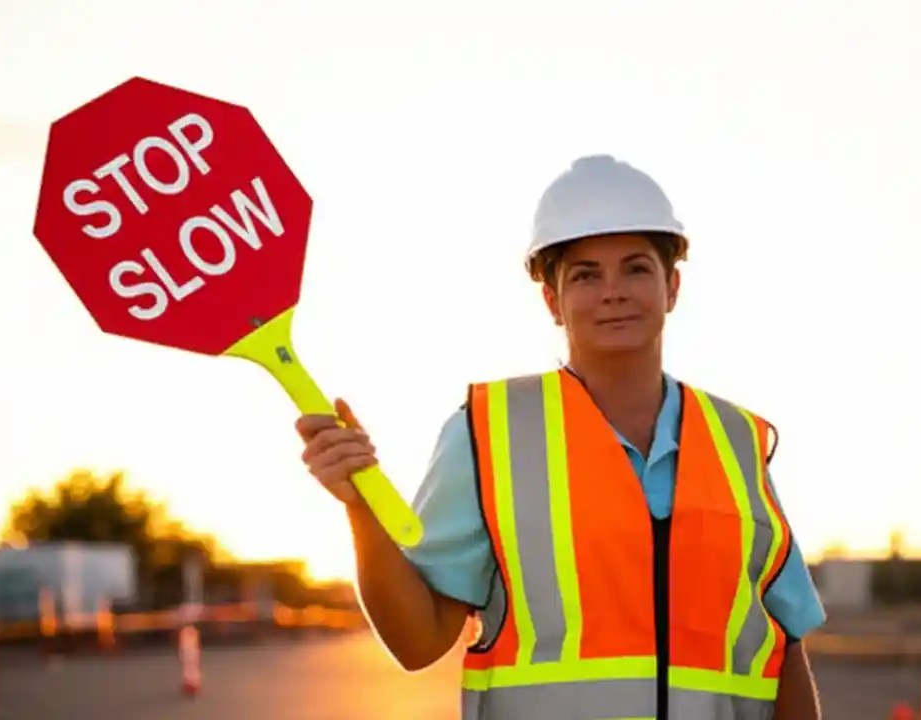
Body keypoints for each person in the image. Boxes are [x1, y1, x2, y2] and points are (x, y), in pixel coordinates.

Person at [296, 155, 826, 720]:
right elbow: (417, 642)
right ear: (552, 300)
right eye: (586, 274)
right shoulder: (487, 435)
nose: (614, 291)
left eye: (636, 268)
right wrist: (361, 512)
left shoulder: (736, 441)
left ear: (672, 286)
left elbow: (784, 650)